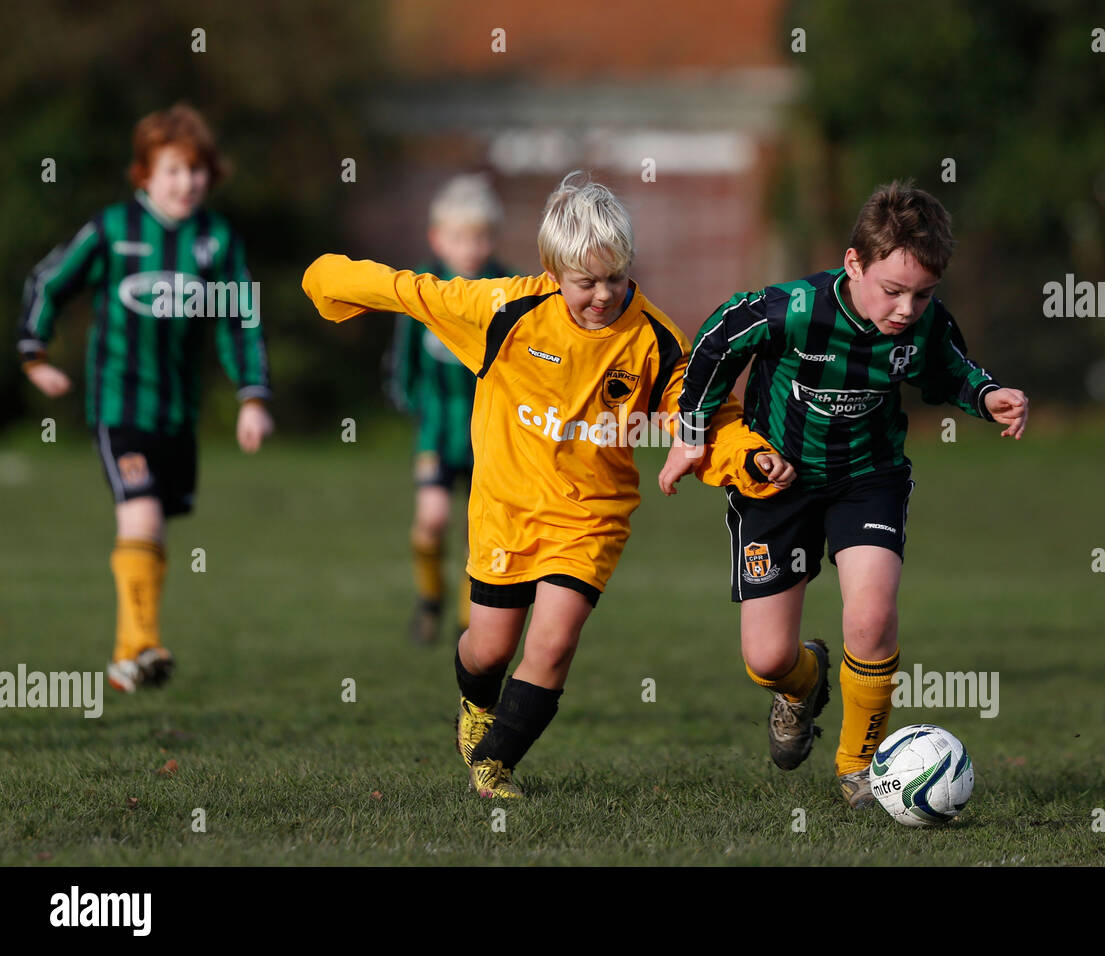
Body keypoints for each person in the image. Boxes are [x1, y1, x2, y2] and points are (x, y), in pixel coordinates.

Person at [303, 171, 794, 798]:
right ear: (554, 271)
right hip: (506, 509)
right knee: (487, 649)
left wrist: (748, 459)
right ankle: (477, 705)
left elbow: (703, 418)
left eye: (615, 278)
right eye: (585, 282)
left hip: (591, 517)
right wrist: (326, 279)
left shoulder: (657, 340)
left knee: (555, 642)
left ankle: (495, 764)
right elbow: (411, 291)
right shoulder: (506, 310)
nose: (602, 295)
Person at [660, 179, 1028, 808]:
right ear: (854, 263)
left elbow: (949, 368)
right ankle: (803, 685)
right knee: (769, 657)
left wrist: (986, 395)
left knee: (872, 616)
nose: (908, 308)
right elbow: (719, 340)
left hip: (869, 478)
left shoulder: (925, 321)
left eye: (923, 293)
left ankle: (861, 768)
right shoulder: (794, 309)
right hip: (776, 483)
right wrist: (692, 436)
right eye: (893, 291)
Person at [16, 102, 274, 693]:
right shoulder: (113, 229)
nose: (188, 183)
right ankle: (142, 643)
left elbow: (242, 321)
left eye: (198, 170)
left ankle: (127, 661)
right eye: (174, 171)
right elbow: (48, 281)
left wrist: (252, 397)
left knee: (156, 528)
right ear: (145, 175)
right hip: (119, 404)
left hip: (177, 413)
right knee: (141, 511)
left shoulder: (217, 240)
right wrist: (35, 353)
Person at [387, 174, 510, 644]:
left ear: (492, 238)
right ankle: (428, 599)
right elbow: (404, 361)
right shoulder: (421, 288)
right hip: (437, 431)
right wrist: (409, 397)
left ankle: (467, 621)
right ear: (437, 238)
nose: (470, 247)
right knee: (432, 519)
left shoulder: (506, 289)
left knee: (476, 532)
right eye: (459, 237)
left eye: (479, 237)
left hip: (489, 437)